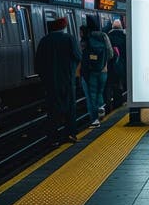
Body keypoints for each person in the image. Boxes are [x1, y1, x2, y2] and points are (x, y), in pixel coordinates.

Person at [35, 16, 81, 145]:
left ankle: (52, 138)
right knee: (70, 108)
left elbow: (38, 63)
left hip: (50, 82)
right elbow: (78, 56)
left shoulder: (44, 40)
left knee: (52, 110)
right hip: (67, 80)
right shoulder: (69, 39)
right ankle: (70, 134)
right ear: (63, 27)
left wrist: (44, 78)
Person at [81, 15, 113, 127]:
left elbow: (82, 55)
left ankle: (94, 120)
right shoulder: (104, 36)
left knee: (91, 95)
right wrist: (103, 63)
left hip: (90, 72)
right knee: (100, 92)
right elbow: (110, 53)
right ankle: (100, 107)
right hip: (103, 70)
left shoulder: (86, 37)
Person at [105, 18, 127, 111]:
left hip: (110, 66)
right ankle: (119, 103)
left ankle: (109, 105)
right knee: (120, 85)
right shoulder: (125, 36)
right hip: (122, 65)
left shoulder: (108, 36)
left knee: (110, 85)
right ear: (121, 26)